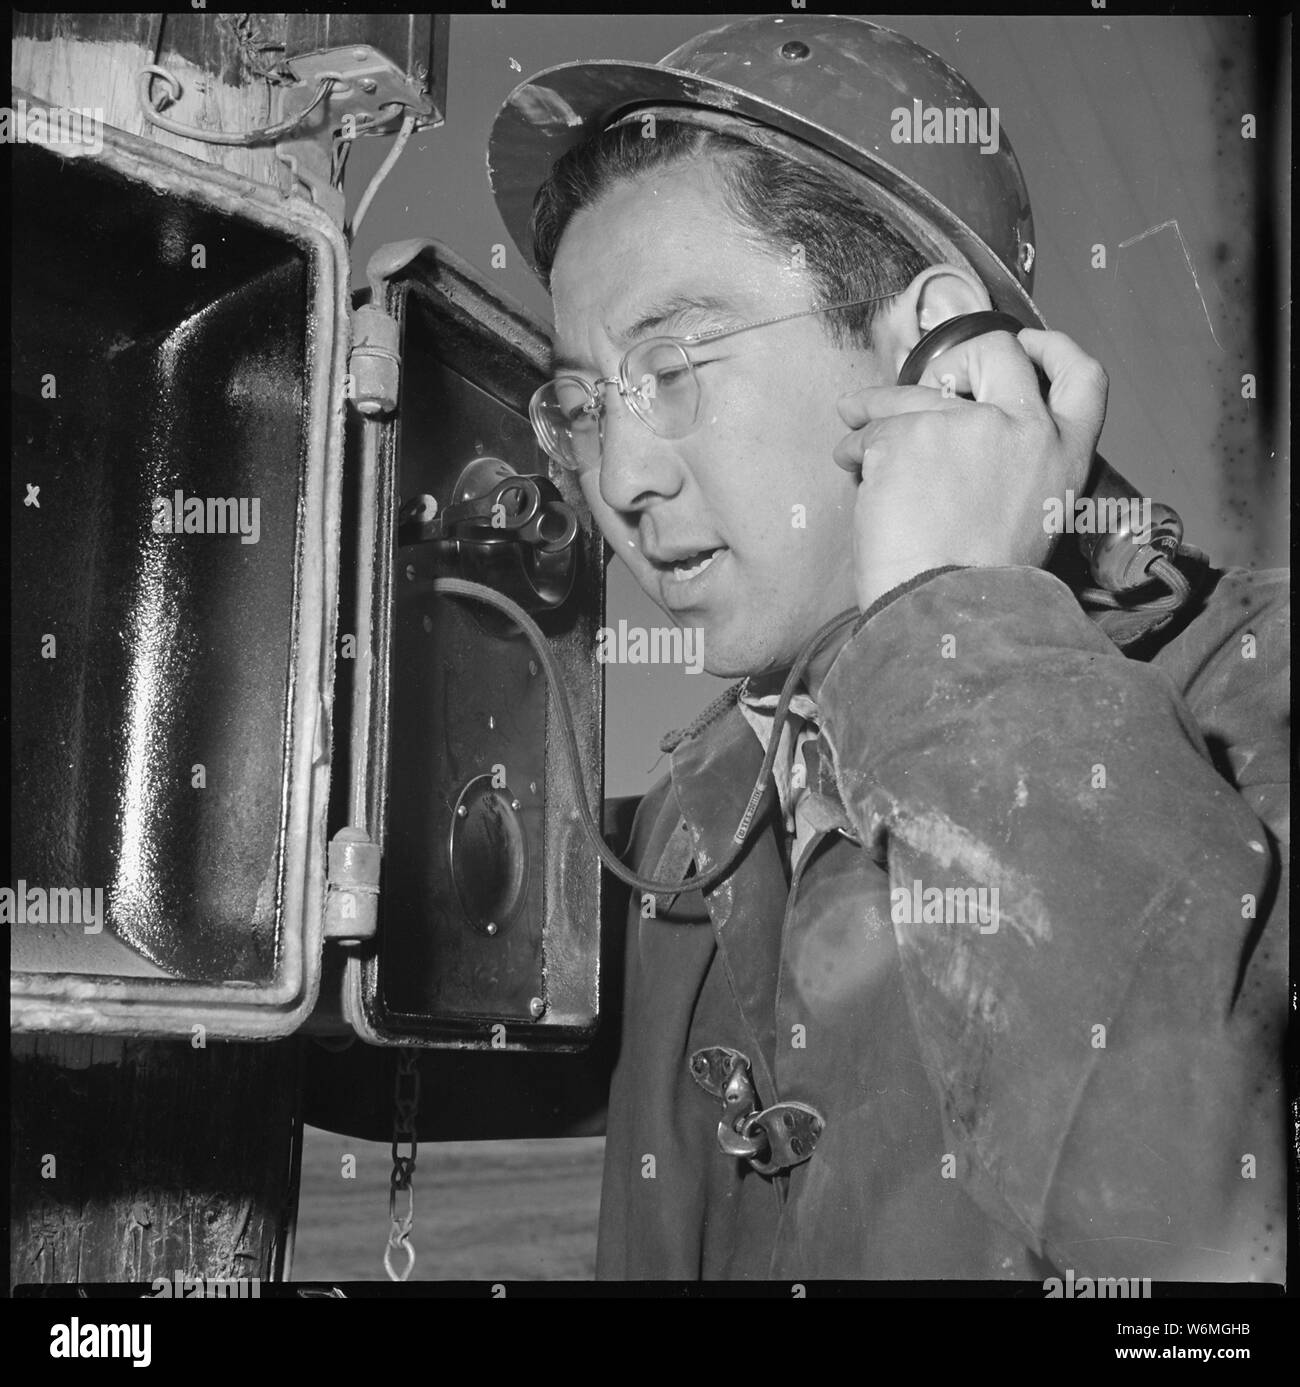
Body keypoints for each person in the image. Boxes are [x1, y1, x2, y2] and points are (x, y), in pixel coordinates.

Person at [489, 15, 1288, 1280]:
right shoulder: (702, 798)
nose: (621, 477)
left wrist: (953, 614)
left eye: (675, 363)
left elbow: (1190, 1262)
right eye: (584, 406)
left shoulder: (1259, 686)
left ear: (934, 347)